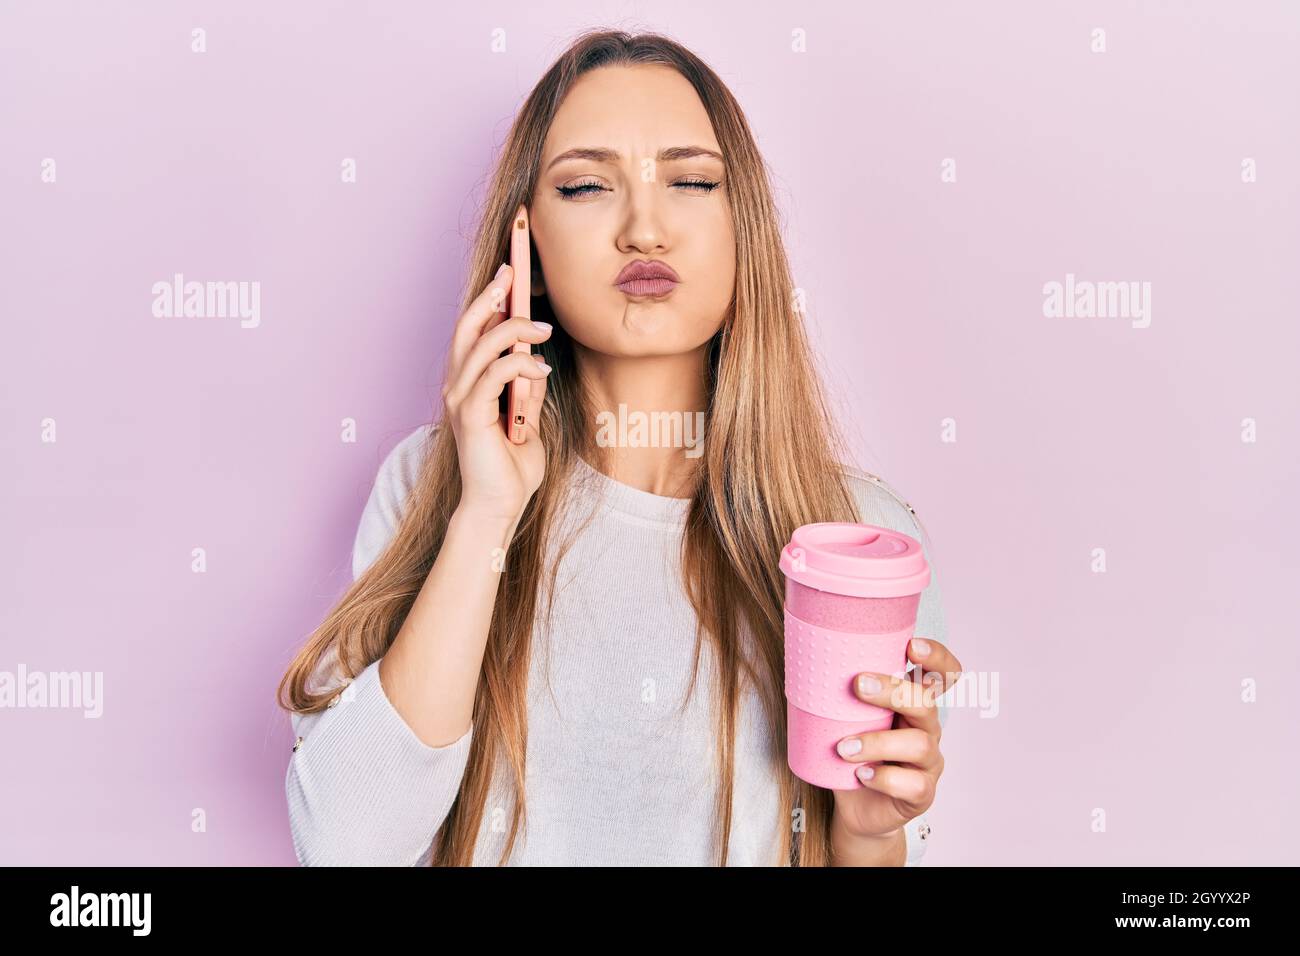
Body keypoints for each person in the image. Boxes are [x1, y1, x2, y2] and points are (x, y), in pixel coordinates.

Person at [278, 28, 961, 867]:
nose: (645, 228)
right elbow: (347, 846)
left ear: (745, 224)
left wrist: (868, 832)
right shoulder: (434, 486)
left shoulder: (857, 537)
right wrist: (488, 511)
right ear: (523, 245)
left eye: (692, 180)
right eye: (589, 186)